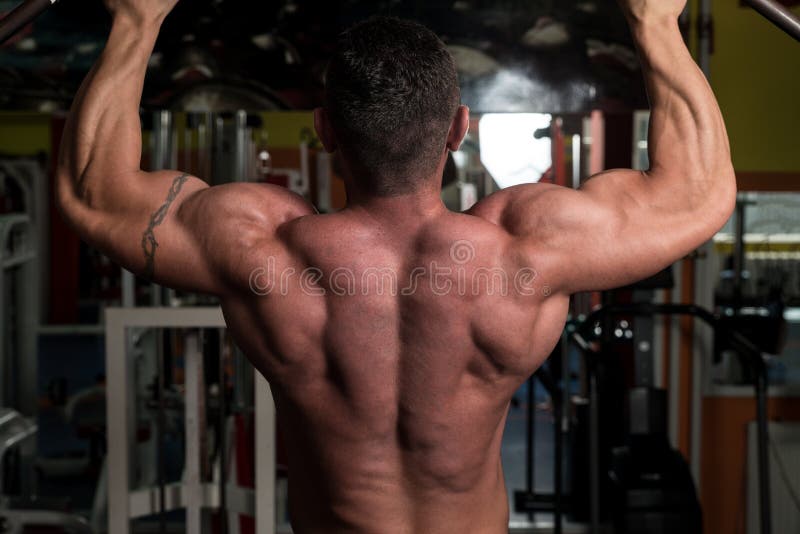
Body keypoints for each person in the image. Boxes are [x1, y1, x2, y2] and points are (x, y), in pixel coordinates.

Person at [56, 0, 736, 532]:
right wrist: (656, 22)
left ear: (322, 131)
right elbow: (697, 194)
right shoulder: (523, 257)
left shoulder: (264, 253)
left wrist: (136, 18)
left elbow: (94, 190)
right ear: (458, 128)